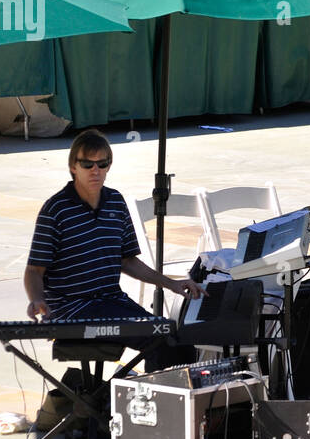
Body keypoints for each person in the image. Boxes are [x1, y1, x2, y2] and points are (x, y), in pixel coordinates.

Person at [24, 129, 204, 366]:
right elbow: (34, 271)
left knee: (176, 340)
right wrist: (37, 300)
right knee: (158, 338)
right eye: (87, 164)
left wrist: (171, 284)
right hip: (73, 310)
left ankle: (164, 396)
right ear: (73, 167)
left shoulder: (116, 202)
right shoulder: (55, 210)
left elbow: (127, 261)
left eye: (102, 163)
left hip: (111, 301)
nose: (95, 170)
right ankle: (151, 400)